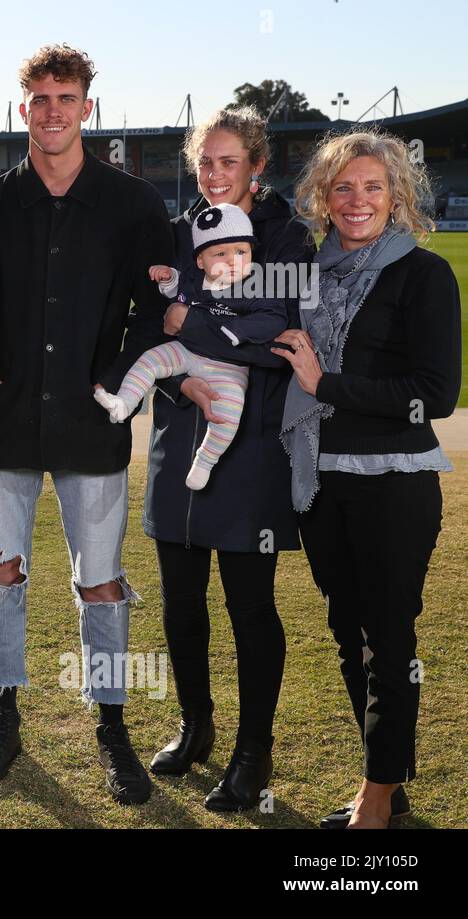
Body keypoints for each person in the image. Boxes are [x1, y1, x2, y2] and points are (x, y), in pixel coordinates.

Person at [0, 44, 172, 804]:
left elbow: (161, 313)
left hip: (93, 424)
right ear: (24, 110)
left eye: (65, 98)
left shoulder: (134, 204)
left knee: (103, 583)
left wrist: (117, 385)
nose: (52, 112)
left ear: (88, 106)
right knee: (0, 572)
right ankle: (4, 713)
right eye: (39, 99)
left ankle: (112, 726)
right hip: (5, 422)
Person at [277, 128, 460, 829]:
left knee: (388, 640)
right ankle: (388, 782)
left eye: (373, 187)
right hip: (321, 477)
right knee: (347, 632)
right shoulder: (311, 273)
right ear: (323, 197)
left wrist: (329, 384)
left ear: (397, 196)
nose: (358, 200)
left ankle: (378, 798)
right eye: (343, 187)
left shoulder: (422, 273)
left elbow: (434, 393)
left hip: (393, 481)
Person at [139, 106, 313, 812]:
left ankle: (253, 751)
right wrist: (178, 368)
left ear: (257, 165)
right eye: (204, 162)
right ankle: (196, 725)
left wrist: (195, 324)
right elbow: (145, 325)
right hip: (178, 434)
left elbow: (277, 333)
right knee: (182, 600)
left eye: (228, 161)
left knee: (249, 605)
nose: (213, 174)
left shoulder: (287, 236)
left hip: (252, 444)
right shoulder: (176, 234)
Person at [95, 202, 288, 490]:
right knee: (149, 361)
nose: (232, 261)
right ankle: (124, 403)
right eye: (220, 254)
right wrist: (168, 278)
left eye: (241, 252)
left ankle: (206, 460)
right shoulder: (196, 279)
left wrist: (235, 331)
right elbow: (179, 290)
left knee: (228, 412)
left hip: (228, 369)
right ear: (201, 261)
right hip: (186, 352)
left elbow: (275, 319)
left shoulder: (256, 286)